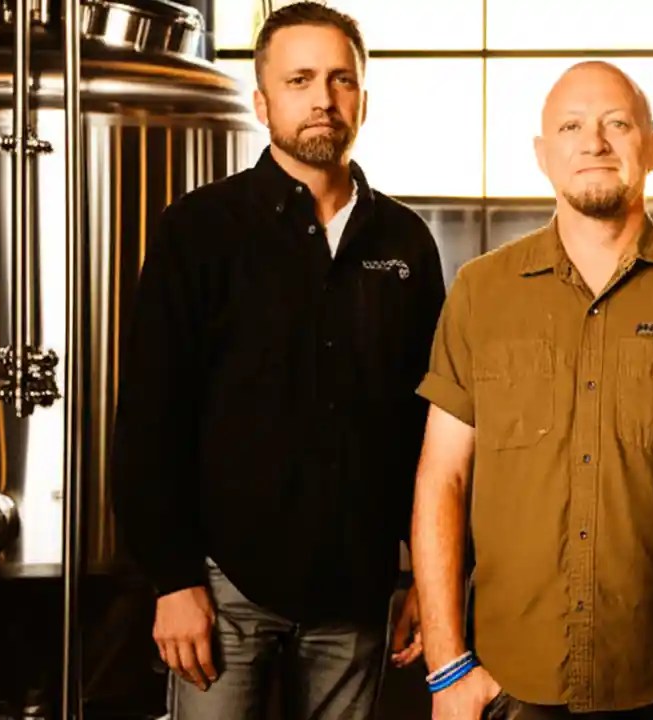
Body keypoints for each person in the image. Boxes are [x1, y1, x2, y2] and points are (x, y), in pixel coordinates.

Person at [409, 61, 653, 720]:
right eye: (571, 126)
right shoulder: (480, 292)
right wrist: (447, 668)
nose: (594, 142)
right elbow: (444, 476)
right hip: (510, 681)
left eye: (617, 123)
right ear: (542, 153)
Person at [110, 3, 442, 716]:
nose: (323, 99)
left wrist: (426, 575)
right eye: (299, 80)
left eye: (340, 79)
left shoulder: (407, 242)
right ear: (262, 102)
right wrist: (172, 581)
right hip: (223, 587)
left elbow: (428, 428)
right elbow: (149, 419)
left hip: (356, 593)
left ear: (363, 97)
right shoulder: (198, 230)